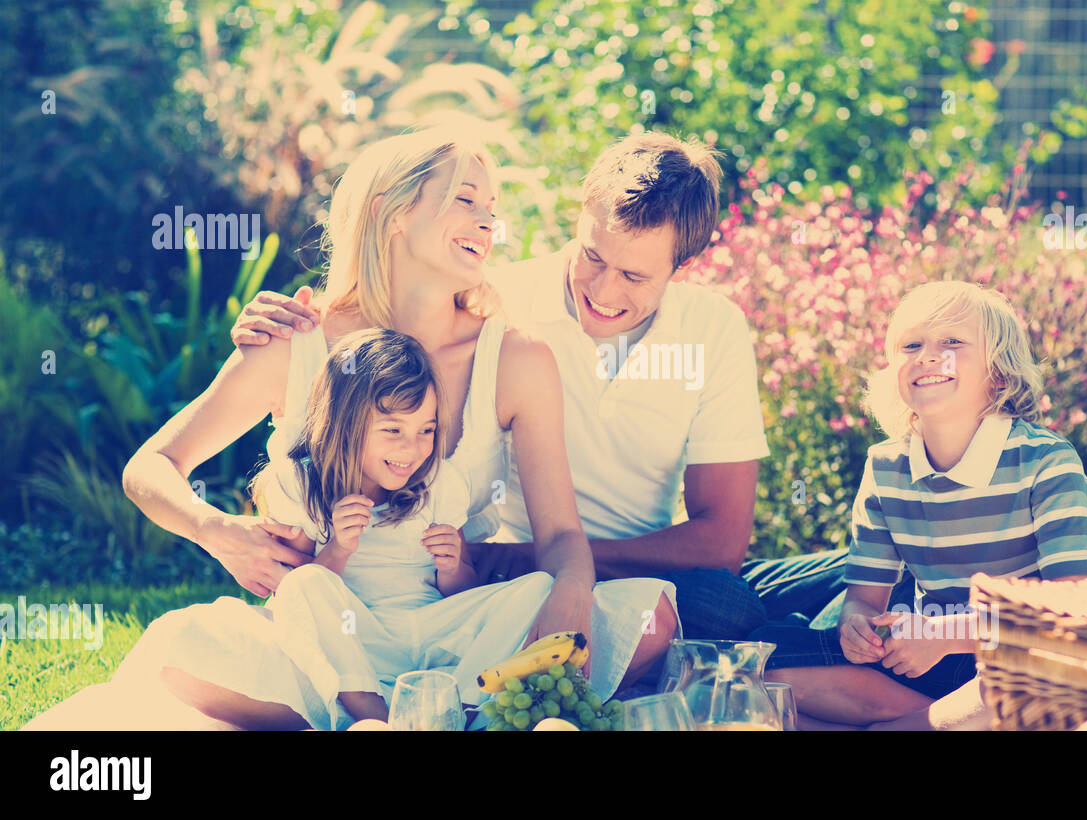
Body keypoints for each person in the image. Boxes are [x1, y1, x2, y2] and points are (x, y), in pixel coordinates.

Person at [24, 128, 676, 731]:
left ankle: (422, 709)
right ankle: (392, 710)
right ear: (394, 215)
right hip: (326, 636)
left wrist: (571, 592)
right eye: (466, 199)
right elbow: (150, 467)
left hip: (455, 628)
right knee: (177, 646)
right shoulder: (297, 342)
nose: (489, 220)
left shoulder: (517, 359)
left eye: (492, 206)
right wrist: (216, 530)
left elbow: (560, 534)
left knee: (650, 614)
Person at [230, 132, 847, 644]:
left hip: (593, 566)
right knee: (734, 611)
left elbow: (720, 541)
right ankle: (815, 654)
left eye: (634, 275)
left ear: (682, 266)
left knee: (856, 573)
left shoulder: (712, 328)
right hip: (509, 579)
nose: (604, 293)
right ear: (578, 220)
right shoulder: (496, 302)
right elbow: (383, 340)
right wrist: (281, 329)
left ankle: (838, 636)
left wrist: (554, 564)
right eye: (593, 257)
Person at [758, 280, 1087, 729]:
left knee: (1045, 672)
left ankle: (907, 723)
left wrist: (945, 635)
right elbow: (863, 598)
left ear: (998, 372)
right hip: (925, 663)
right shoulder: (886, 467)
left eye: (952, 342)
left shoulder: (1046, 461)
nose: (926, 355)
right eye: (911, 345)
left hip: (1016, 656)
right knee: (771, 653)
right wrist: (858, 629)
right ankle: (931, 721)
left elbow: (1077, 614)